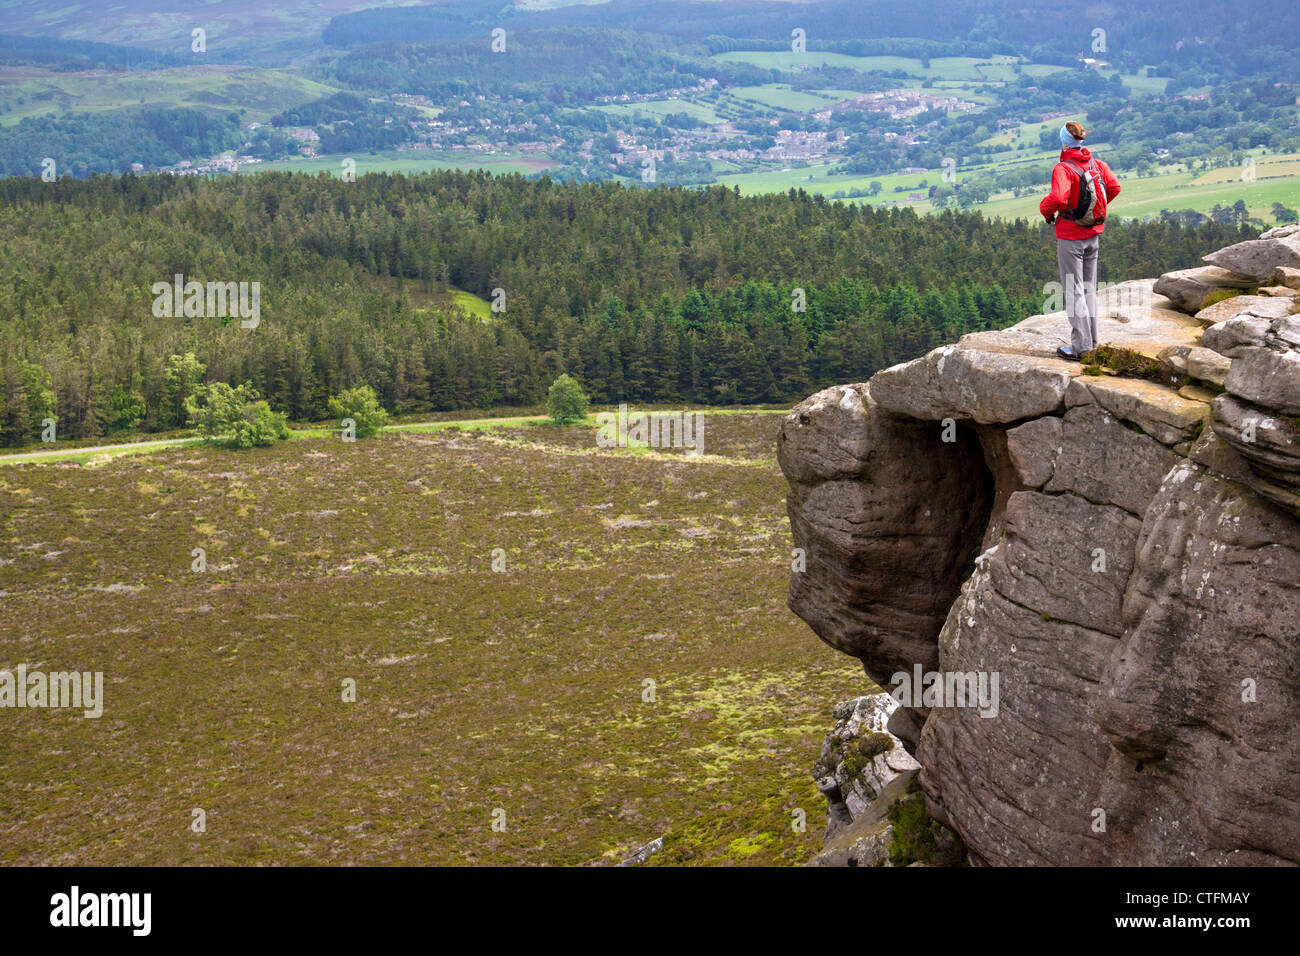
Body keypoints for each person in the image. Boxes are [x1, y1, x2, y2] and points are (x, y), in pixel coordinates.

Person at [1040, 121, 1121, 361]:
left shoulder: (1063, 168)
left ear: (1064, 142)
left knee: (1073, 291)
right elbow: (1114, 187)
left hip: (1071, 237)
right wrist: (1093, 212)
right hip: (1093, 235)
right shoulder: (1097, 165)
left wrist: (1046, 211)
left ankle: (1080, 348)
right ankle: (1092, 342)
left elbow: (1057, 197)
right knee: (1088, 289)